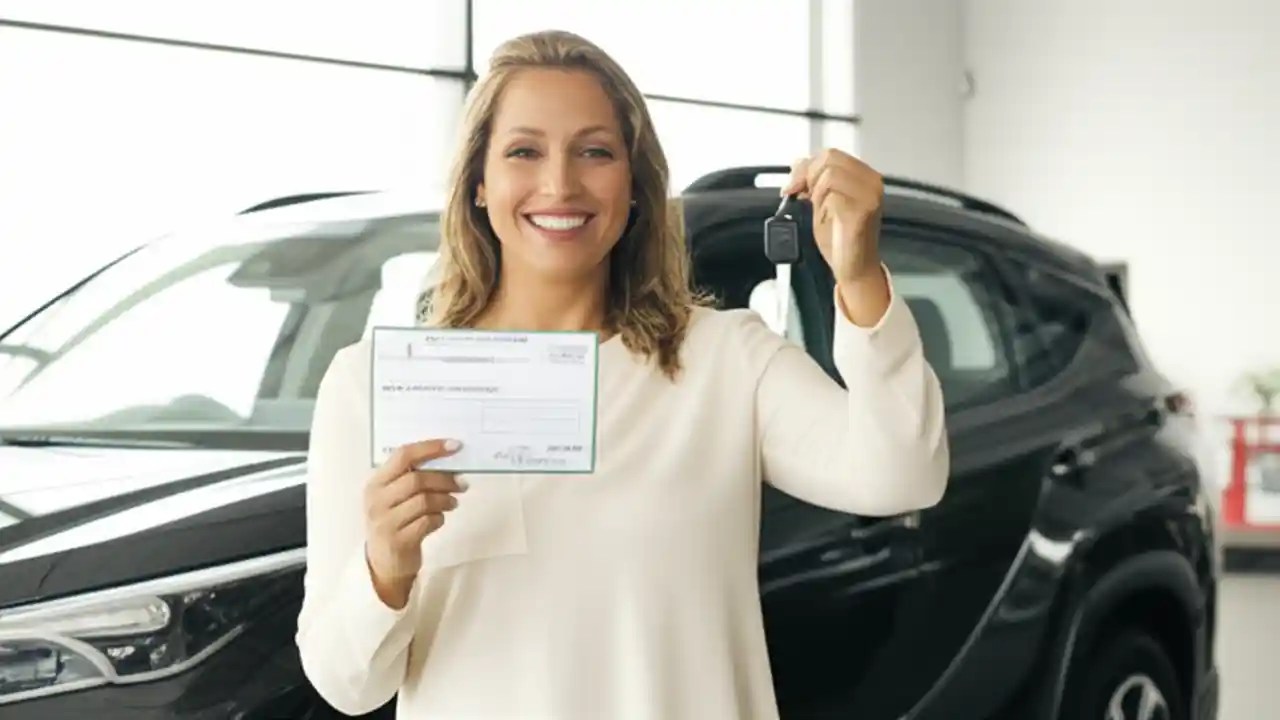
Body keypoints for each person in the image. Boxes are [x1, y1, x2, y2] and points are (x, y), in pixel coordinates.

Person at [295, 28, 949, 720]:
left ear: (635, 186)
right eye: (524, 151)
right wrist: (385, 568)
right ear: (479, 184)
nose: (560, 184)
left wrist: (858, 276)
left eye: (595, 152)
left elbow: (901, 473)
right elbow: (346, 685)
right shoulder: (374, 386)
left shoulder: (725, 360)